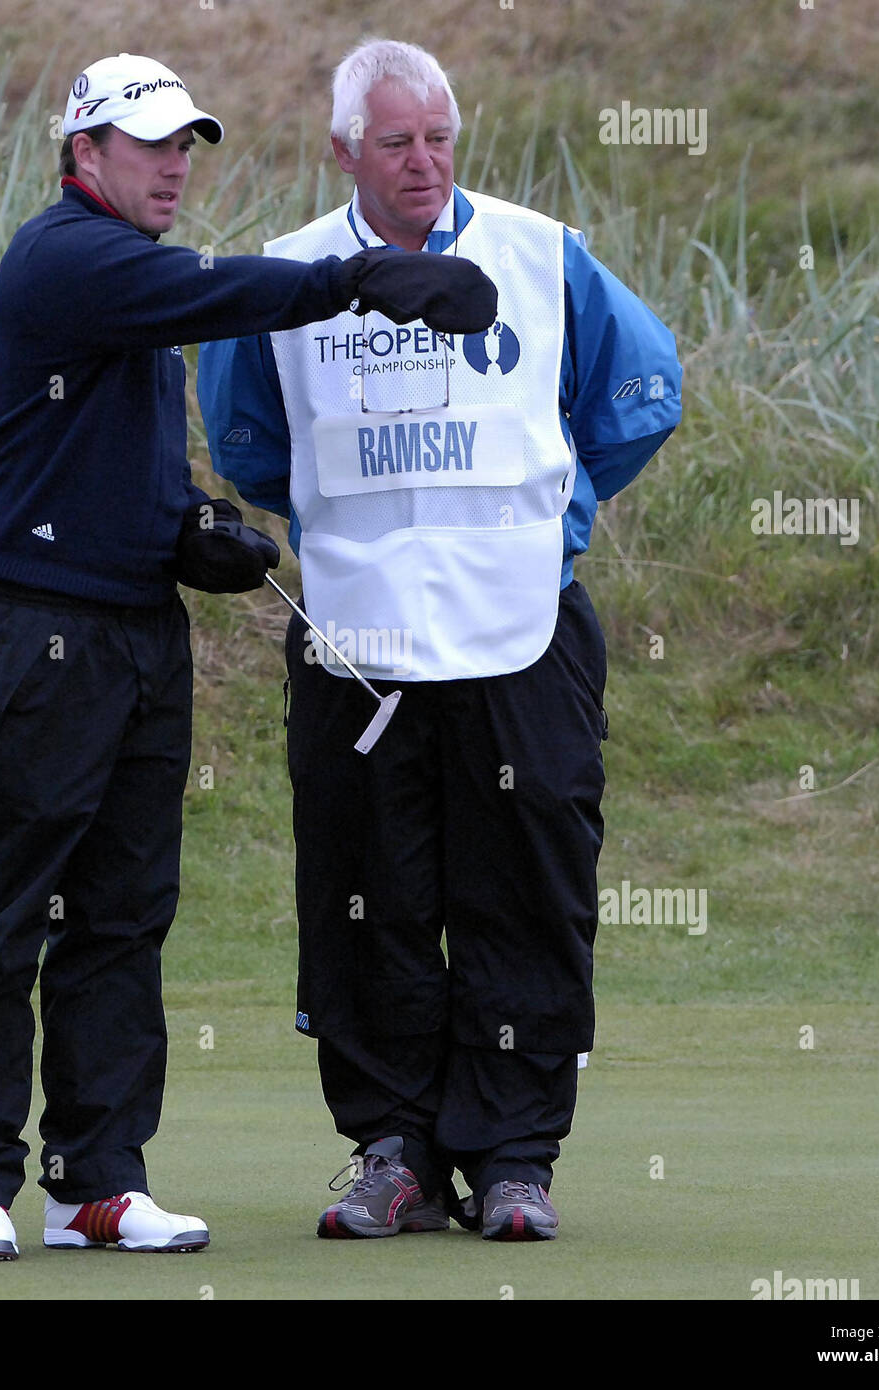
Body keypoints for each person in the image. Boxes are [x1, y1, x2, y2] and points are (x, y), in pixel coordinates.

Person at [0, 50, 497, 1262]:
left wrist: (186, 531)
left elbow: (101, 449)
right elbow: (219, 292)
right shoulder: (68, 256)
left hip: (131, 632)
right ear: (86, 153)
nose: (176, 165)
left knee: (123, 914)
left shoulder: (125, 281)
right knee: (5, 910)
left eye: (189, 146)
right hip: (33, 634)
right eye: (151, 144)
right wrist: (362, 278)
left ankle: (96, 1182)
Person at [198, 38, 683, 1242]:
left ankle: (515, 1156)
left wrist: (559, 509)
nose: (421, 164)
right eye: (394, 143)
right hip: (358, 642)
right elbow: (248, 440)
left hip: (521, 631)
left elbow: (643, 394)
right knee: (370, 899)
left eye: (438, 139)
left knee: (525, 894)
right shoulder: (292, 274)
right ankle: (395, 1150)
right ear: (343, 150)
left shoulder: (537, 251)